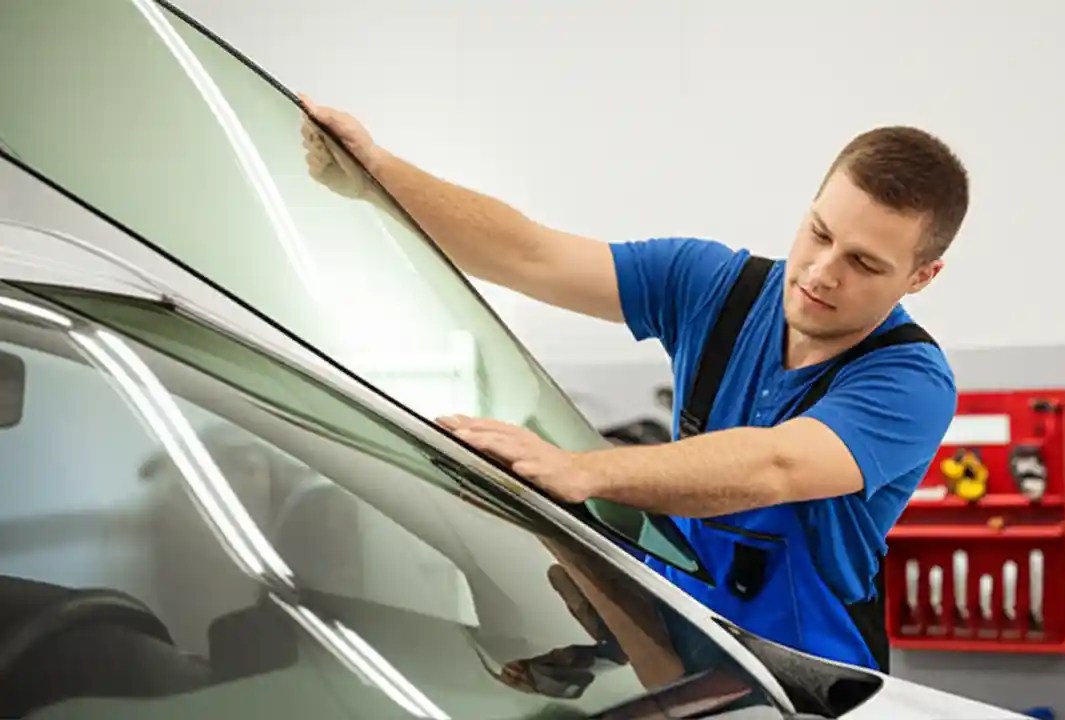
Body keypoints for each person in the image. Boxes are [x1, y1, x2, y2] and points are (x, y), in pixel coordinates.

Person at [300, 96, 968, 672]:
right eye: (818, 233)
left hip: (809, 678)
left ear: (921, 277)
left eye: (863, 263)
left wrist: (583, 471)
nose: (822, 272)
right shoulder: (712, 286)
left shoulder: (910, 379)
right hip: (685, 647)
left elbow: (777, 465)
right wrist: (376, 177)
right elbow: (529, 253)